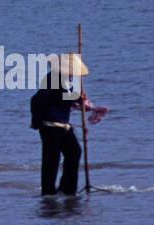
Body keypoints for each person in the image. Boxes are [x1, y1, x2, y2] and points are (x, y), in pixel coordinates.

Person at [29, 54, 108, 196]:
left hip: (64, 125)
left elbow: (65, 99)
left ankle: (68, 189)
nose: (73, 74)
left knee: (74, 152)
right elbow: (41, 98)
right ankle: (48, 192)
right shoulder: (53, 78)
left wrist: (79, 100)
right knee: (52, 159)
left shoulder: (68, 81)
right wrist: (36, 121)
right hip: (50, 126)